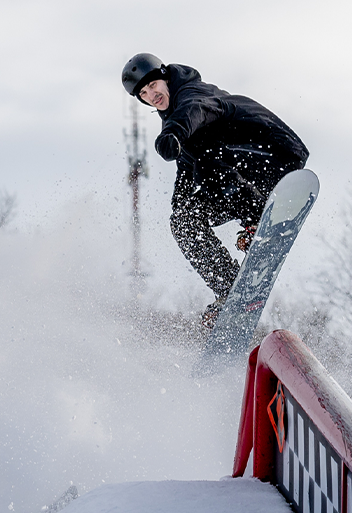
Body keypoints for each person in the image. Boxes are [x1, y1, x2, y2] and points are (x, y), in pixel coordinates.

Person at [120, 53, 309, 326]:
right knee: (185, 220)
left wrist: (173, 133)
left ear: (165, 77)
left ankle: (256, 216)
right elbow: (186, 173)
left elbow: (194, 111)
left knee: (208, 159)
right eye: (144, 93)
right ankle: (230, 289)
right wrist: (180, 212)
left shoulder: (193, 94)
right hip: (241, 175)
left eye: (154, 85)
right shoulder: (179, 126)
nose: (152, 95)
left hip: (275, 155)